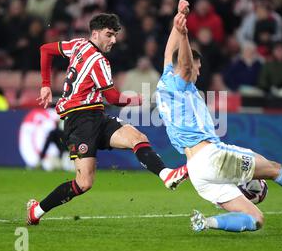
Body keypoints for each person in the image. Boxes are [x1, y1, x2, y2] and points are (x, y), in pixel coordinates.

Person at [156, 0, 282, 233]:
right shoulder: (182, 83)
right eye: (198, 66)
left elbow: (170, 54)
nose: (199, 71)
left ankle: (205, 222)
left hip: (197, 172)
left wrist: (178, 21)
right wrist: (185, 34)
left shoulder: (164, 82)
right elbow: (186, 66)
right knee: (273, 169)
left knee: (255, 219)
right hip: (211, 156)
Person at [27, 13, 188, 225]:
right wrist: (138, 100)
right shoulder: (99, 60)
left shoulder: (78, 45)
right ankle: (36, 211)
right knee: (84, 183)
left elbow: (45, 50)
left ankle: (166, 174)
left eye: (115, 35)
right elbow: (113, 98)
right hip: (79, 120)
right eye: (109, 35)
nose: (113, 40)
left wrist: (46, 83)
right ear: (95, 33)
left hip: (96, 115)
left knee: (136, 136)